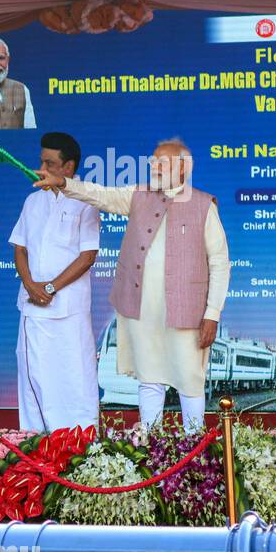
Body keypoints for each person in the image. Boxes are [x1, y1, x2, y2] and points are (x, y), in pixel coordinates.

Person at [32, 138, 231, 429]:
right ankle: (151, 444)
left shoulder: (203, 205)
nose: (153, 165)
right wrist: (63, 183)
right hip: (141, 309)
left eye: (162, 161)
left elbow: (220, 263)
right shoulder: (138, 195)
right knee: (150, 378)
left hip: (186, 313)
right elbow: (100, 194)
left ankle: (193, 449)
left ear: (182, 169)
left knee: (189, 380)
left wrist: (212, 314)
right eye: (153, 159)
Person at [9, 133, 101, 431]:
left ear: (68, 167)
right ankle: (36, 445)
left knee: (75, 378)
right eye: (41, 161)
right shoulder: (32, 200)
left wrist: (50, 287)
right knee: (35, 378)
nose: (41, 168)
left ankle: (82, 447)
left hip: (68, 309)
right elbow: (20, 248)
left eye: (49, 163)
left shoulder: (85, 202)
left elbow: (87, 256)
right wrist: (31, 284)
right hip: (33, 308)